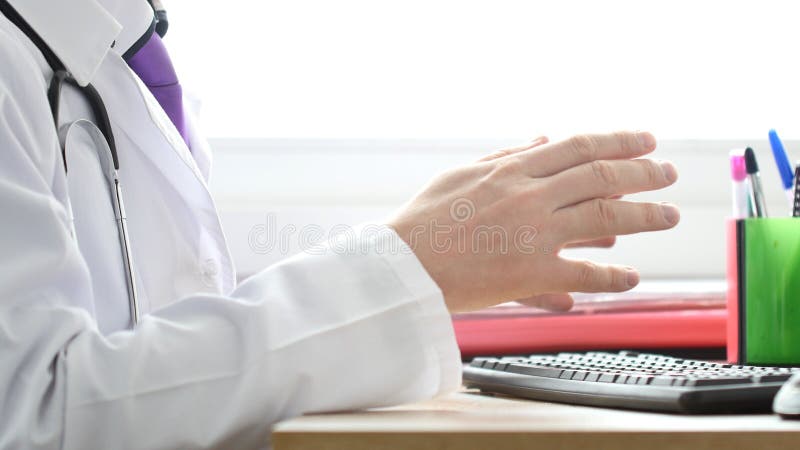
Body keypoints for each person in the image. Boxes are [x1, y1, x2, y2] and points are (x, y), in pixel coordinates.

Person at [0, 0, 679, 448]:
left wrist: (424, 260)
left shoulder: (117, 52)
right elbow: (33, 420)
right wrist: (404, 269)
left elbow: (159, 340)